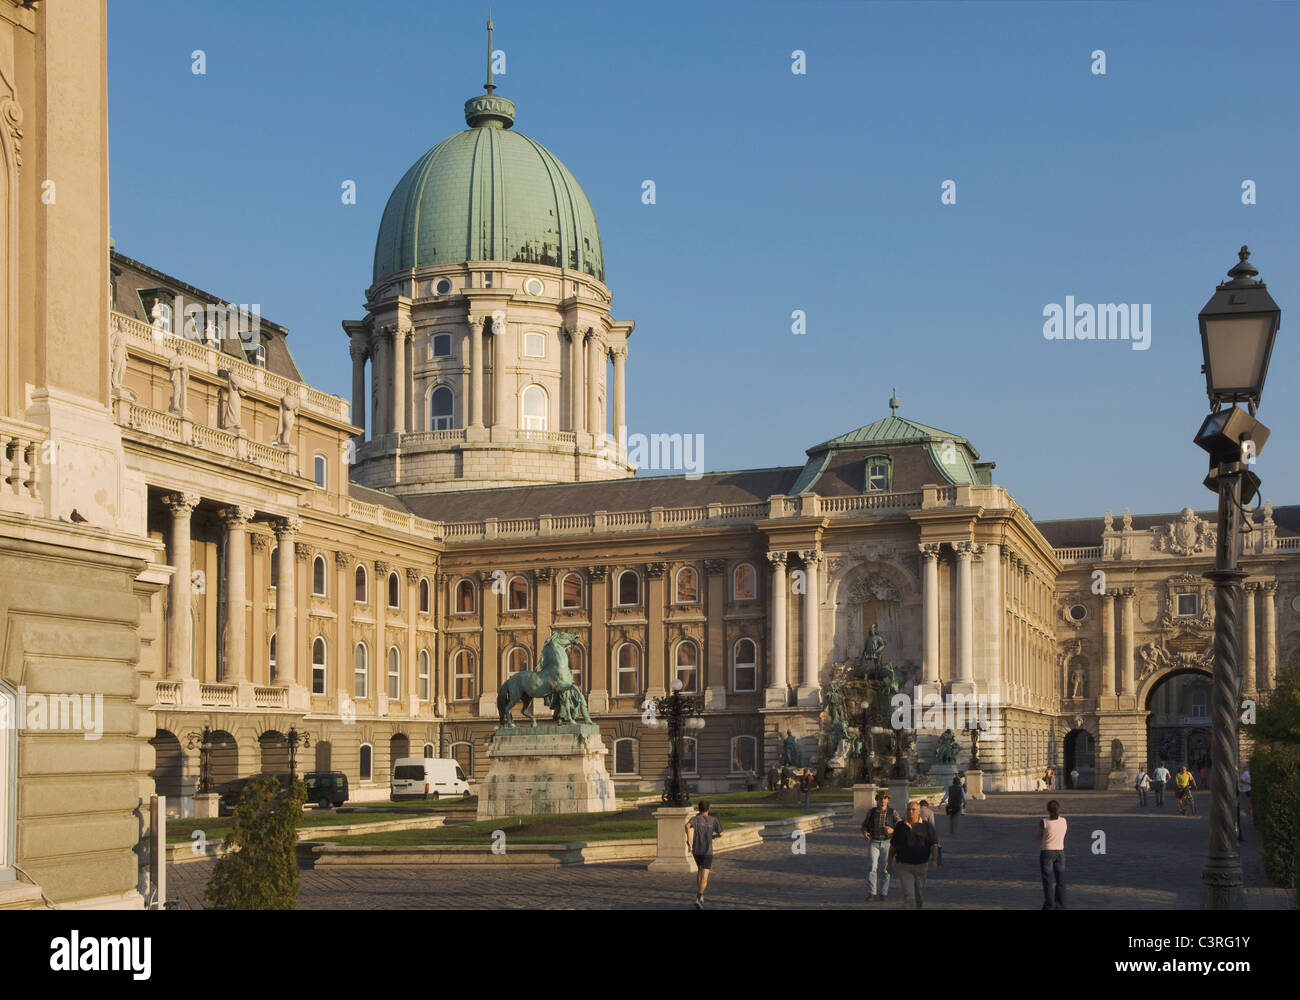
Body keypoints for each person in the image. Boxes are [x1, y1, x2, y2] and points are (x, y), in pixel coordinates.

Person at [887, 799, 939, 909]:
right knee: (909, 896)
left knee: (918, 896)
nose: (910, 812)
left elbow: (934, 844)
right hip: (904, 866)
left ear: (919, 811)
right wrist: (889, 863)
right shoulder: (900, 826)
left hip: (921, 866)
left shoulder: (927, 826)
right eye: (909, 809)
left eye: (913, 810)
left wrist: (934, 859)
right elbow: (893, 847)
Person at [861, 790, 901, 902]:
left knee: (885, 869)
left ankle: (883, 892)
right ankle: (872, 892)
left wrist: (893, 830)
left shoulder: (892, 812)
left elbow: (901, 825)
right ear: (877, 800)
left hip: (887, 842)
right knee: (872, 867)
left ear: (888, 800)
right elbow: (864, 826)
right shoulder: (872, 812)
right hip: (874, 842)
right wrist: (865, 832)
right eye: (880, 798)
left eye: (885, 798)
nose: (882, 800)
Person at [685, 800, 723, 908]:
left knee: (700, 870)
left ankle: (700, 894)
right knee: (705, 876)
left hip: (696, 850)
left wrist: (689, 840)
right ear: (709, 809)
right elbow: (721, 833)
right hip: (707, 851)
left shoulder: (695, 819)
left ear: (699, 809)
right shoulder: (713, 820)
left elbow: (687, 826)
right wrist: (714, 836)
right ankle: (699, 897)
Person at [1036, 799, 1067, 910]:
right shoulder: (1064, 821)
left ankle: (1049, 905)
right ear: (1058, 809)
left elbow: (1038, 837)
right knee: (1061, 881)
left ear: (1048, 810)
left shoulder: (1044, 822)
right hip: (1060, 852)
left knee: (1048, 881)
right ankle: (1061, 905)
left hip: (1047, 852)